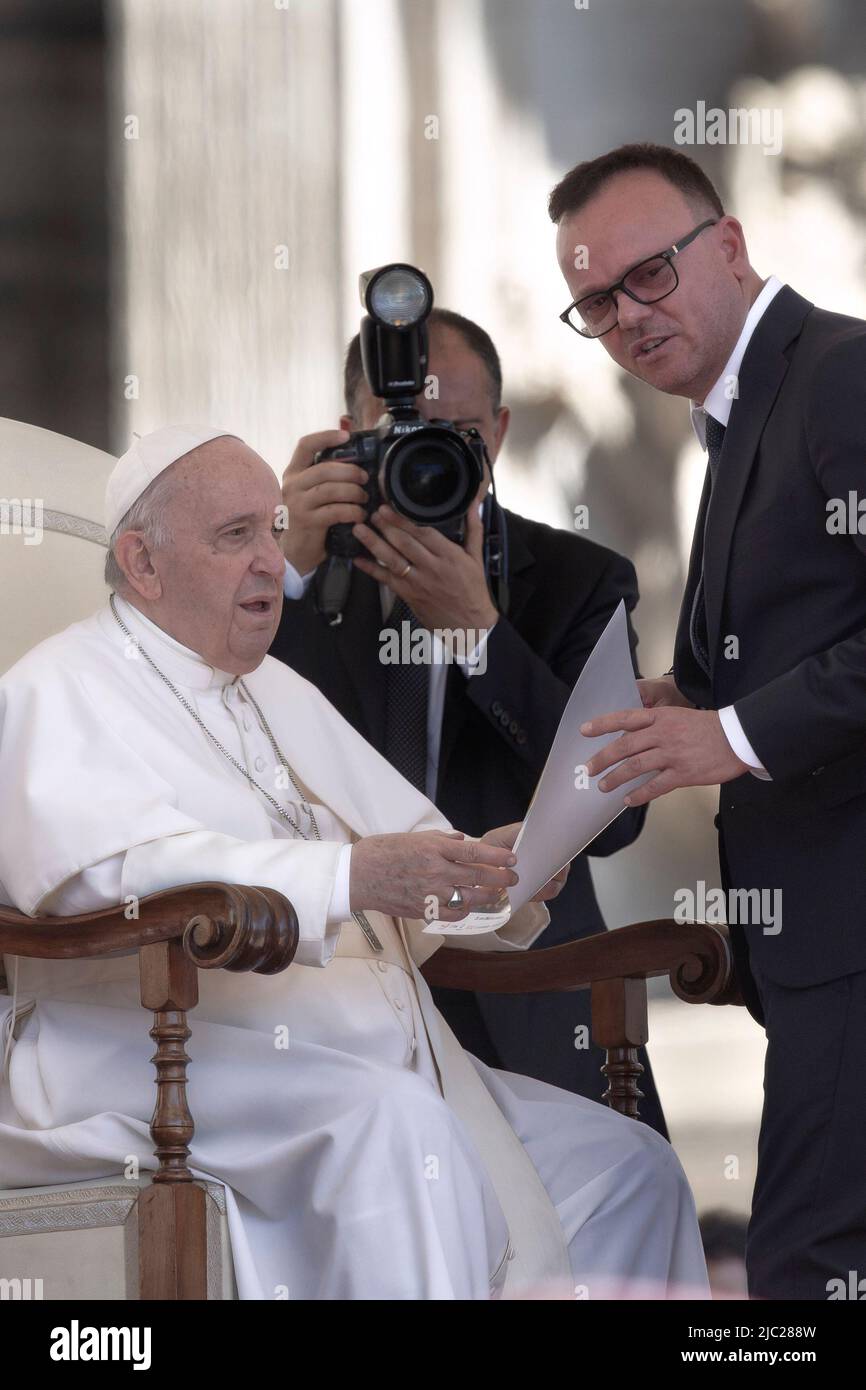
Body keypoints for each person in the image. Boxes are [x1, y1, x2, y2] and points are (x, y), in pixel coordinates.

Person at [0, 425, 708, 1300]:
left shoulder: (275, 686)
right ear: (143, 563)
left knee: (628, 1165)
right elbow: (107, 881)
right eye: (237, 537)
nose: (272, 562)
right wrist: (349, 877)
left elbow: (400, 857)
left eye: (273, 527)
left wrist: (489, 872)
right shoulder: (54, 690)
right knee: (399, 1130)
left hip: (381, 1058)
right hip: (151, 1053)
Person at [549, 141, 866, 1300]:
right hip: (816, 936)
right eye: (594, 301)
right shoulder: (737, 409)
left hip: (850, 921)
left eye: (649, 274)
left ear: (727, 246)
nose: (627, 316)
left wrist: (723, 740)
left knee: (801, 1271)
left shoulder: (834, 373)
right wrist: (686, 702)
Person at [269, 308, 668, 1135]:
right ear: (349, 438)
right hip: (335, 986)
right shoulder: (295, 575)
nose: (431, 457)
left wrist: (480, 635)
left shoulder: (576, 578)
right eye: (404, 432)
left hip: (527, 982)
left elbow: (618, 815)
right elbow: (220, 727)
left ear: (500, 431)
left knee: (593, 1221)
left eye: (457, 433)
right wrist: (283, 569)